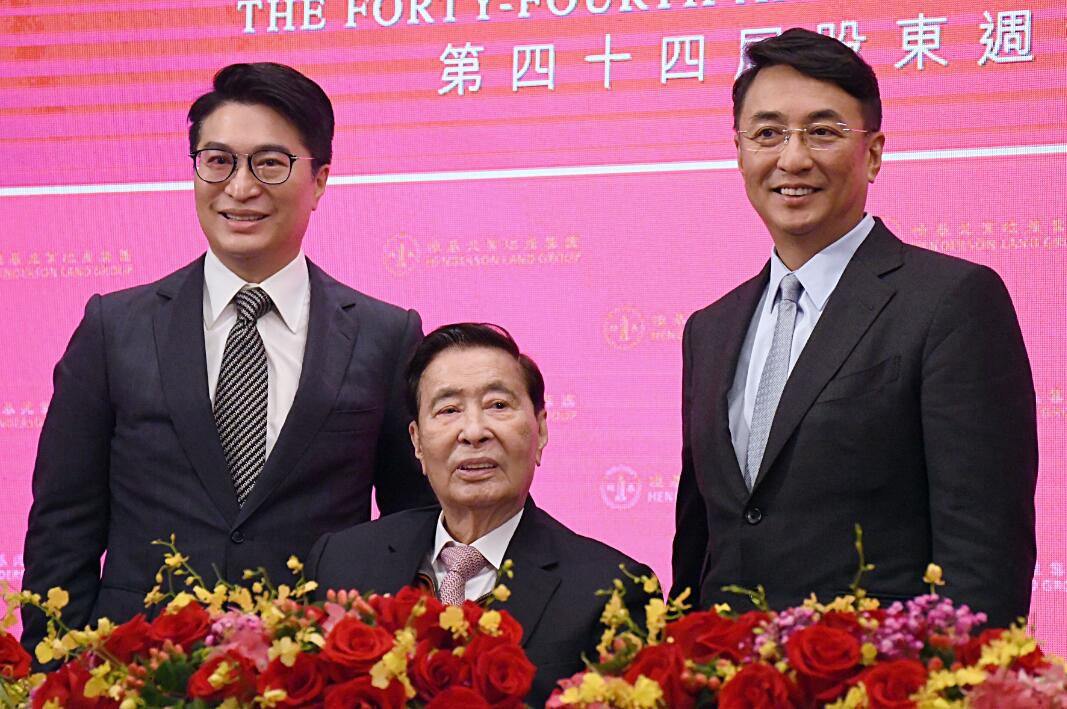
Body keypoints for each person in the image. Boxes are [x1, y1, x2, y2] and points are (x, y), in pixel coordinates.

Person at [22, 62, 433, 653]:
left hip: (314, 668)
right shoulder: (114, 328)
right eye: (218, 161)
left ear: (320, 180)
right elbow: (63, 525)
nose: (240, 187)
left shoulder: (385, 335)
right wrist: (54, 668)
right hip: (139, 672)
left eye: (270, 163)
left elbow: (412, 524)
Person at [671, 28, 1037, 627]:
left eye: (823, 131)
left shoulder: (950, 301)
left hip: (883, 671)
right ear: (739, 152)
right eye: (768, 134)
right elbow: (699, 552)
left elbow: (984, 558)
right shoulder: (709, 329)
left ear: (873, 153)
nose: (793, 159)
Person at [307, 323, 656, 704]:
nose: (473, 432)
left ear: (540, 429)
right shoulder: (341, 563)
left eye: (498, 406)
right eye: (449, 410)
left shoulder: (612, 590)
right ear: (417, 442)